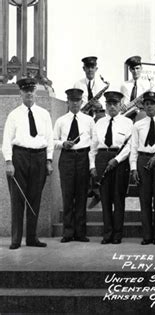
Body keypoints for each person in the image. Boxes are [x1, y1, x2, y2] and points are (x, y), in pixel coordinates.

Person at [2, 78, 54, 250]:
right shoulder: (14, 114)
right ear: (21, 93)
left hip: (39, 158)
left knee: (35, 199)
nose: (29, 93)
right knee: (17, 200)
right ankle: (16, 240)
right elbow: (6, 141)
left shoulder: (44, 114)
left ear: (36, 92)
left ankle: (32, 238)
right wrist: (9, 162)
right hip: (19, 157)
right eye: (26, 91)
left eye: (32, 90)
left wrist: (48, 160)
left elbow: (49, 140)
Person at [89, 91, 133, 244]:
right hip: (102, 159)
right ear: (106, 106)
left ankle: (117, 235)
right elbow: (93, 147)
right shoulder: (99, 123)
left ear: (121, 105)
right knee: (105, 199)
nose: (112, 106)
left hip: (119, 161)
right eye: (109, 104)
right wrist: (92, 166)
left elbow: (129, 146)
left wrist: (117, 159)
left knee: (118, 198)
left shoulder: (128, 123)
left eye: (115, 104)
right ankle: (107, 234)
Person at [129, 91, 155, 245]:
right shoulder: (138, 125)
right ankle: (147, 235)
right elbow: (133, 147)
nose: (149, 107)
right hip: (143, 161)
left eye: (152, 104)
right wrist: (134, 167)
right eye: (146, 104)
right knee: (144, 199)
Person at [53, 88, 95, 243]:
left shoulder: (89, 120)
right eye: (72, 101)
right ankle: (68, 232)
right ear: (68, 102)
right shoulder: (61, 121)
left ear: (81, 102)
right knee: (68, 195)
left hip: (83, 157)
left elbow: (94, 143)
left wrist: (91, 165)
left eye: (78, 101)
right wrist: (63, 143)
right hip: (67, 158)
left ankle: (80, 233)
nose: (75, 104)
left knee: (82, 195)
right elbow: (53, 141)